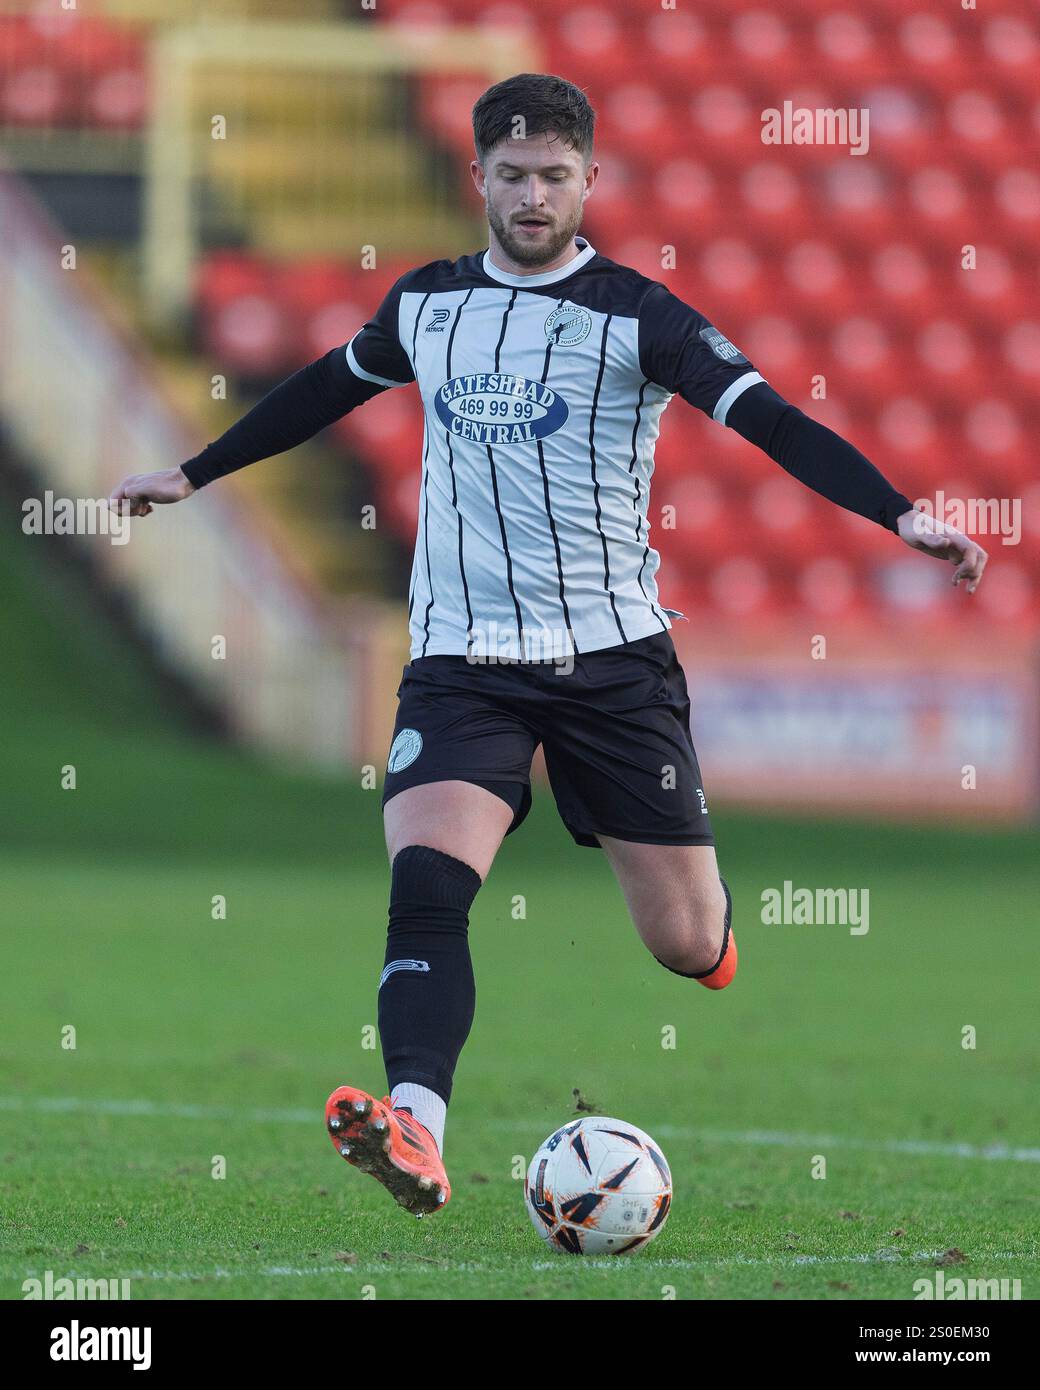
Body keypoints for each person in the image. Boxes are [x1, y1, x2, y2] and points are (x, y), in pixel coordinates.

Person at [110, 73, 987, 1217]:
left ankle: (709, 932)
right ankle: (415, 1127)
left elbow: (769, 418)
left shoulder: (641, 315)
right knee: (425, 884)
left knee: (681, 943)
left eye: (554, 177)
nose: (532, 196)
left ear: (588, 180)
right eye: (512, 175)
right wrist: (191, 471)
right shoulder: (425, 305)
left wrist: (898, 513)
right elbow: (325, 387)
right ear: (477, 176)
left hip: (612, 664)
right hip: (462, 662)